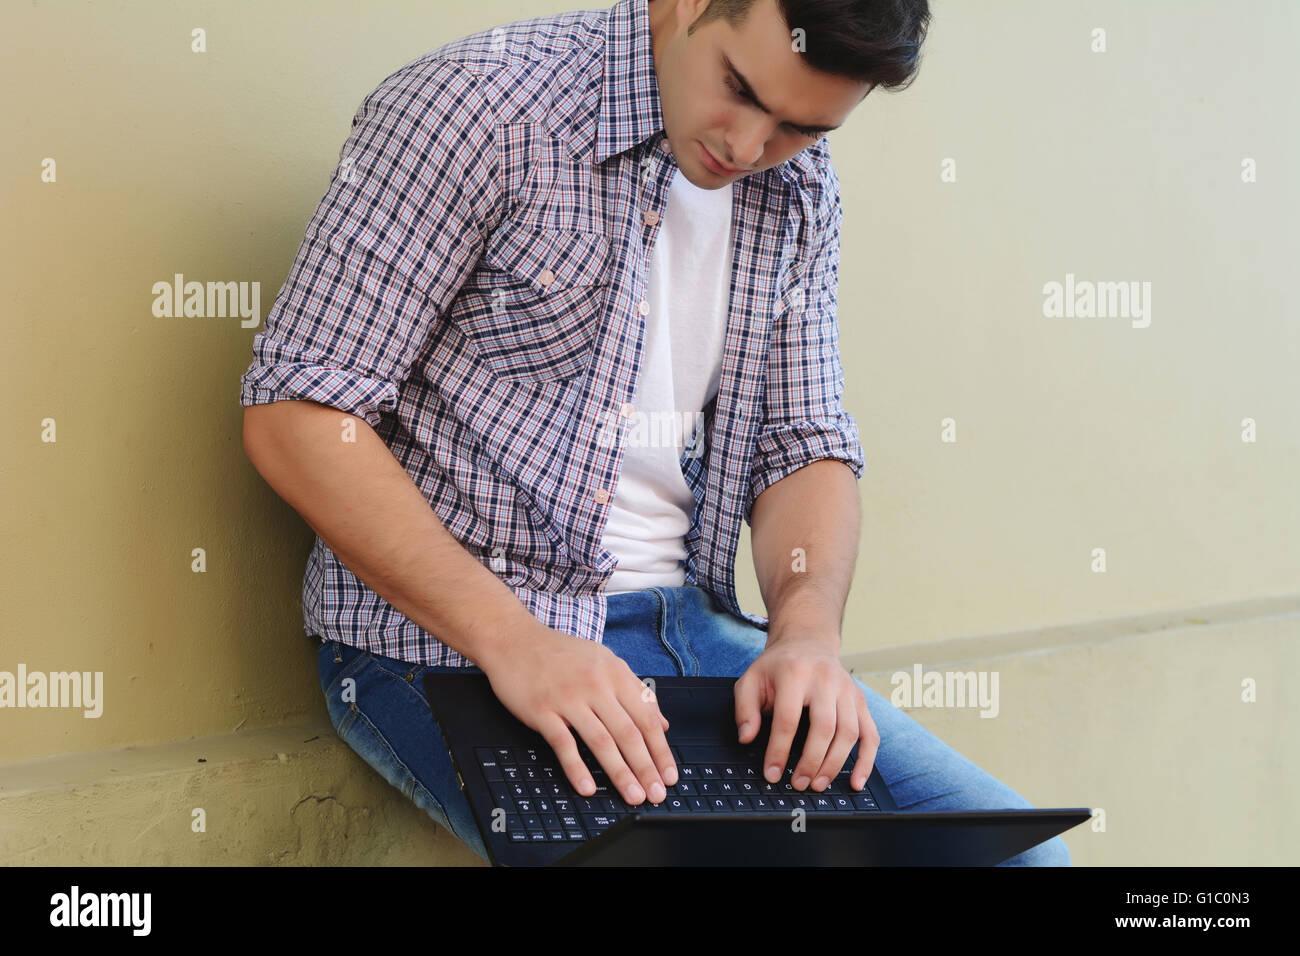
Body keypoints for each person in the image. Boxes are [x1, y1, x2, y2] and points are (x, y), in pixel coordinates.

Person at [241, 0, 1069, 866]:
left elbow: (803, 441)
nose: (749, 148)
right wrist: (516, 641)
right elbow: (300, 412)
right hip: (449, 648)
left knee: (1022, 861)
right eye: (739, 89)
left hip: (689, 631)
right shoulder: (476, 107)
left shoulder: (799, 183)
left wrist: (807, 639)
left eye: (797, 125)